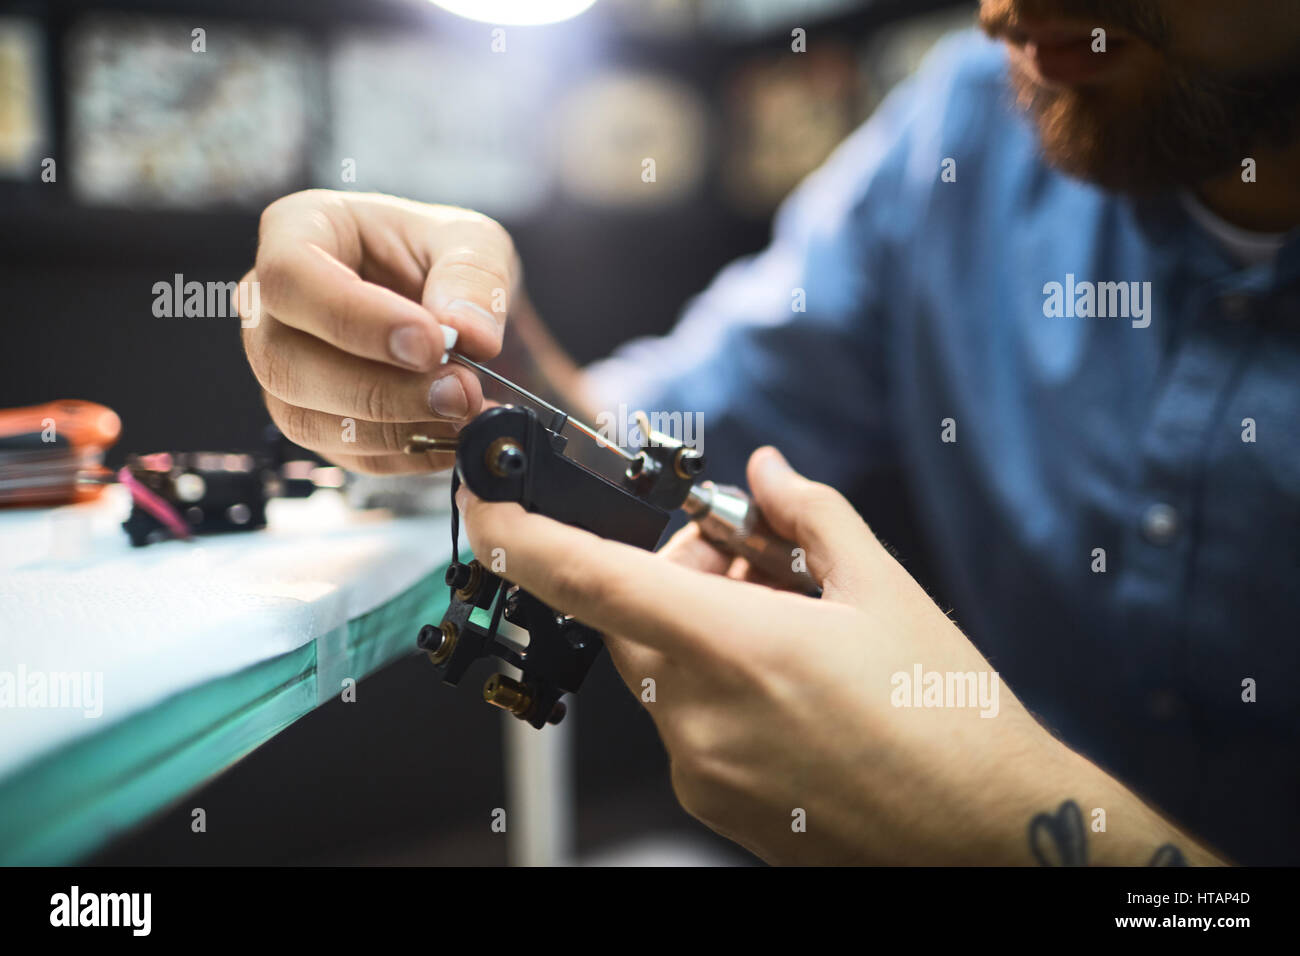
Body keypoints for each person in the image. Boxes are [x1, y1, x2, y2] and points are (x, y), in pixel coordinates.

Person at [236, 0, 1300, 865]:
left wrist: (990, 826)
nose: (1003, 12)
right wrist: (474, 371)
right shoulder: (973, 123)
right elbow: (657, 437)